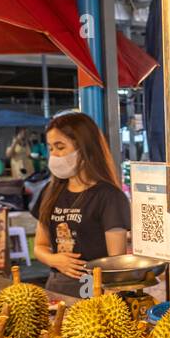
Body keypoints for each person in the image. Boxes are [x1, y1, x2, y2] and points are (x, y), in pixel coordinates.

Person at [32, 110, 131, 297]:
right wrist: (55, 260)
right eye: (51, 148)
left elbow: (116, 261)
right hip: (56, 288)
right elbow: (40, 246)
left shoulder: (109, 196)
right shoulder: (50, 192)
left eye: (60, 147)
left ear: (84, 148)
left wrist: (109, 301)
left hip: (94, 291)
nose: (54, 155)